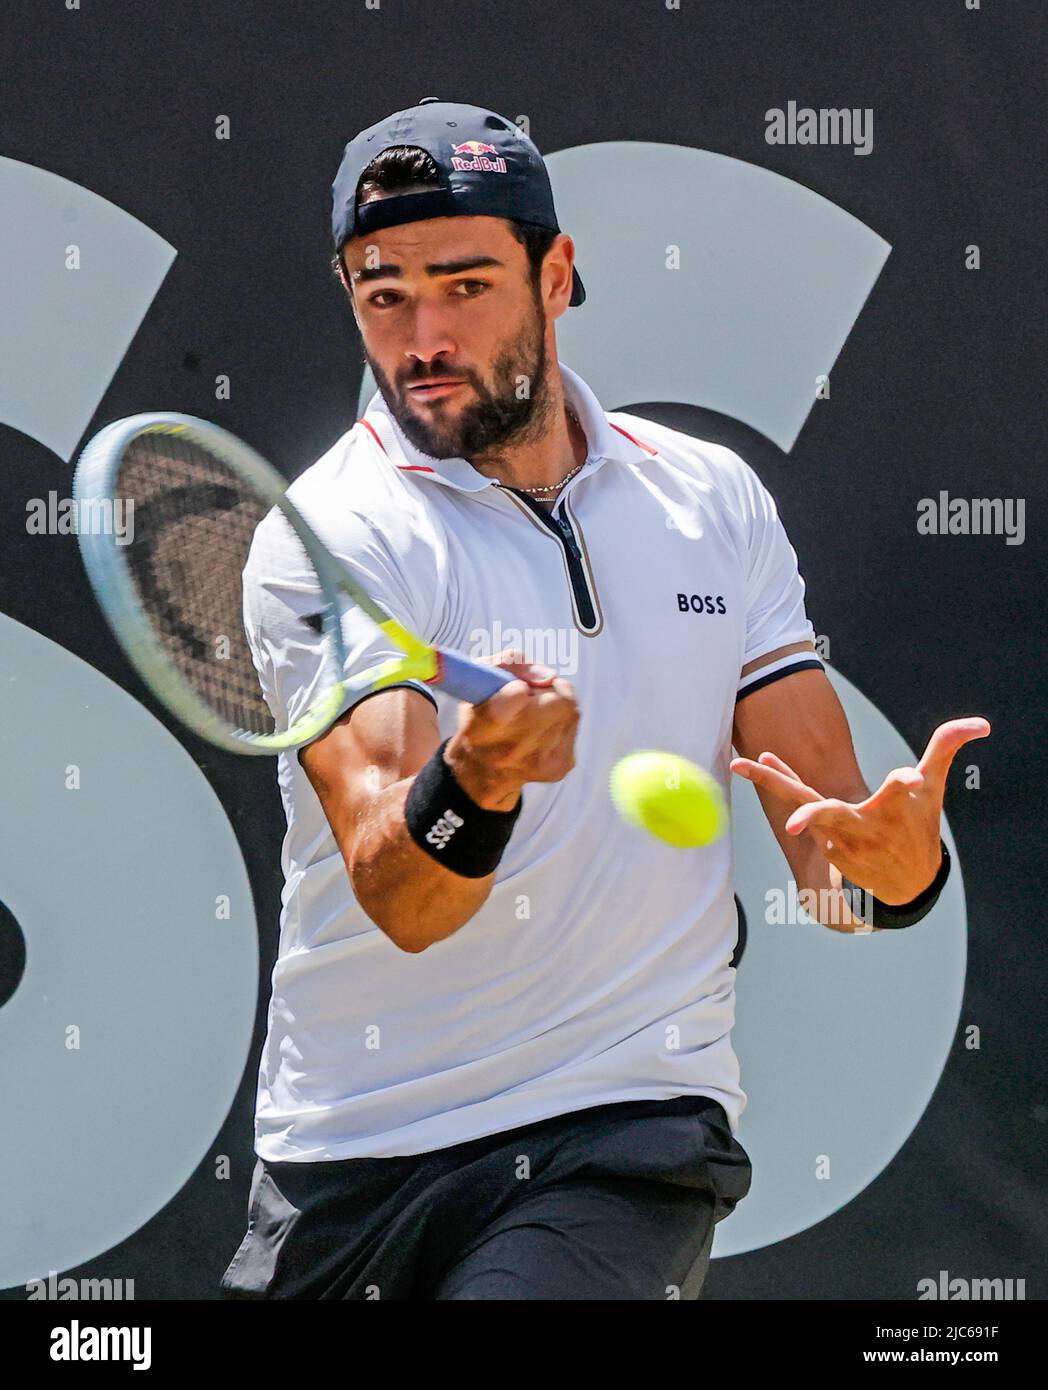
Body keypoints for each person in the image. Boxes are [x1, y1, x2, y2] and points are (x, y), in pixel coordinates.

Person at [220, 99, 988, 1300]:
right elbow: (401, 894)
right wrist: (476, 779)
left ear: (557, 273)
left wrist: (893, 867)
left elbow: (837, 864)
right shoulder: (332, 537)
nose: (423, 335)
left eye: (465, 285)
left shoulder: (712, 501)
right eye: (384, 294)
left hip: (622, 1124)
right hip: (349, 1155)